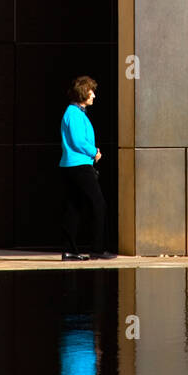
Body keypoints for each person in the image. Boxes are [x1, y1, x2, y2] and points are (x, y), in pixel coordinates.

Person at [59, 75, 113, 260]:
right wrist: (94, 152)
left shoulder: (76, 113)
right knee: (98, 204)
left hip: (75, 166)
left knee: (73, 208)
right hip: (79, 166)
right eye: (92, 92)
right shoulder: (73, 113)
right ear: (83, 92)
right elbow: (77, 140)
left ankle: (69, 250)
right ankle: (97, 248)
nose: (94, 96)